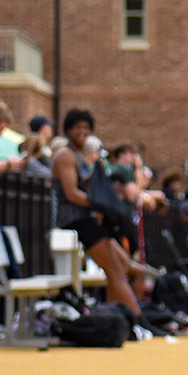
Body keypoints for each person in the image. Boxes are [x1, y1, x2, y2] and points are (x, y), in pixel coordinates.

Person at [50, 108, 141, 316]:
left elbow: (86, 189)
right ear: (68, 130)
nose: (82, 131)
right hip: (74, 220)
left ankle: (116, 316)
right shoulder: (65, 155)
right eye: (77, 127)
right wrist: (102, 205)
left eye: (86, 128)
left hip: (87, 218)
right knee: (115, 269)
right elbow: (72, 194)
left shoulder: (81, 157)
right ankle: (136, 318)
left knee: (124, 265)